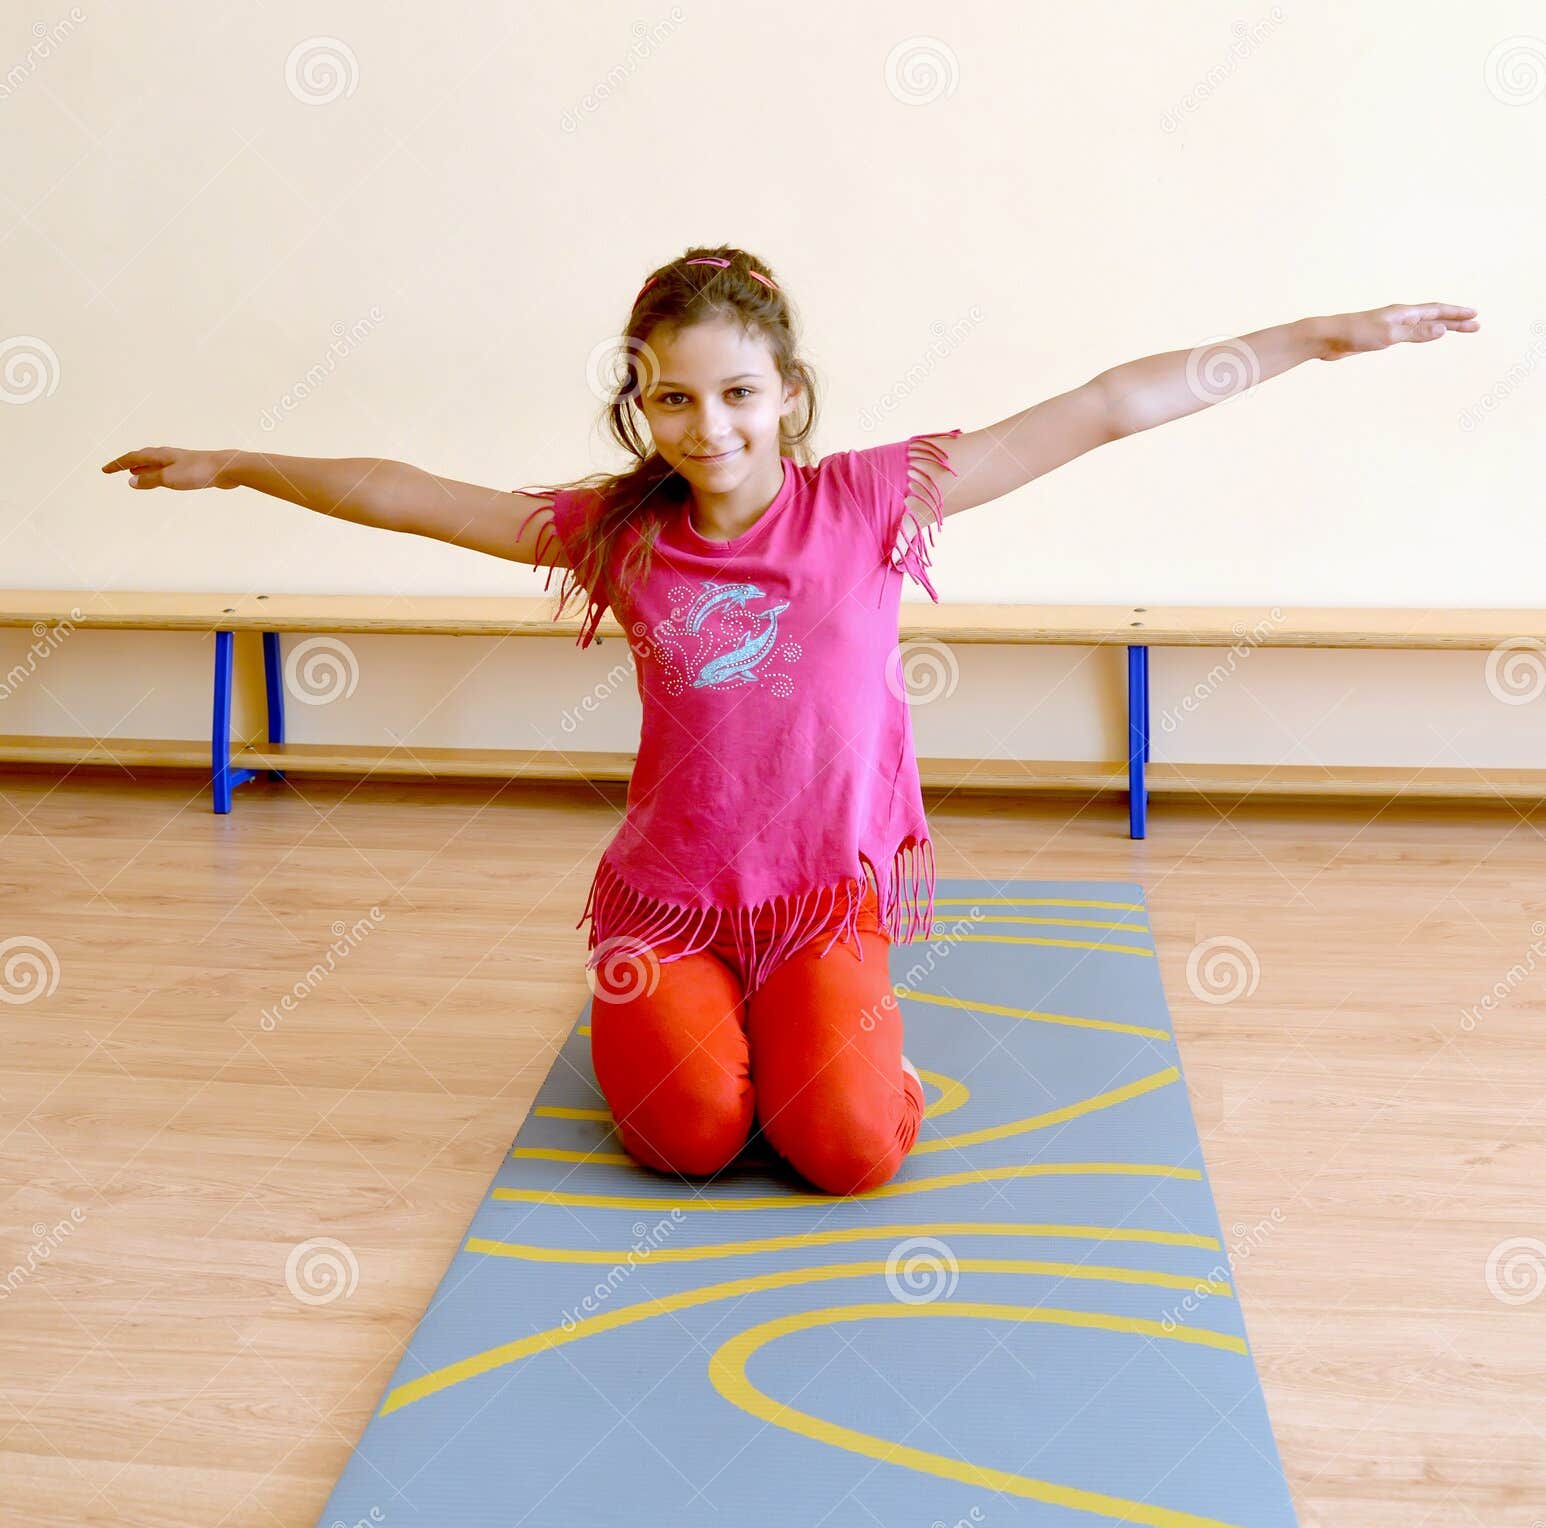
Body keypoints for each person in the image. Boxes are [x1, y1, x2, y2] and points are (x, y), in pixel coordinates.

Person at [101, 246, 1477, 1195]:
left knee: (849, 1153)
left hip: (821, 896)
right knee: (691, 1139)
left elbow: (1109, 406)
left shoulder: (871, 500)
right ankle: (705, 1023)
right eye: (674, 397)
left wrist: (1316, 338)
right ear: (641, 407)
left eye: (738, 393)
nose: (709, 426)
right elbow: (408, 493)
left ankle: (839, 1035)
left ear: (789, 398)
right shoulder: (616, 533)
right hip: (672, 904)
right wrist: (241, 463)